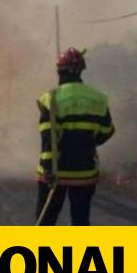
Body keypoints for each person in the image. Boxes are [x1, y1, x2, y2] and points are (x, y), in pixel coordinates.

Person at [35, 47, 115, 225]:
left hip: (54, 173)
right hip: (84, 172)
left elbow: (48, 139)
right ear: (81, 71)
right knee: (80, 222)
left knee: (46, 222)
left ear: (59, 71)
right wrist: (87, 144)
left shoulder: (50, 99)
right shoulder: (98, 98)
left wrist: (48, 169)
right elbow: (107, 131)